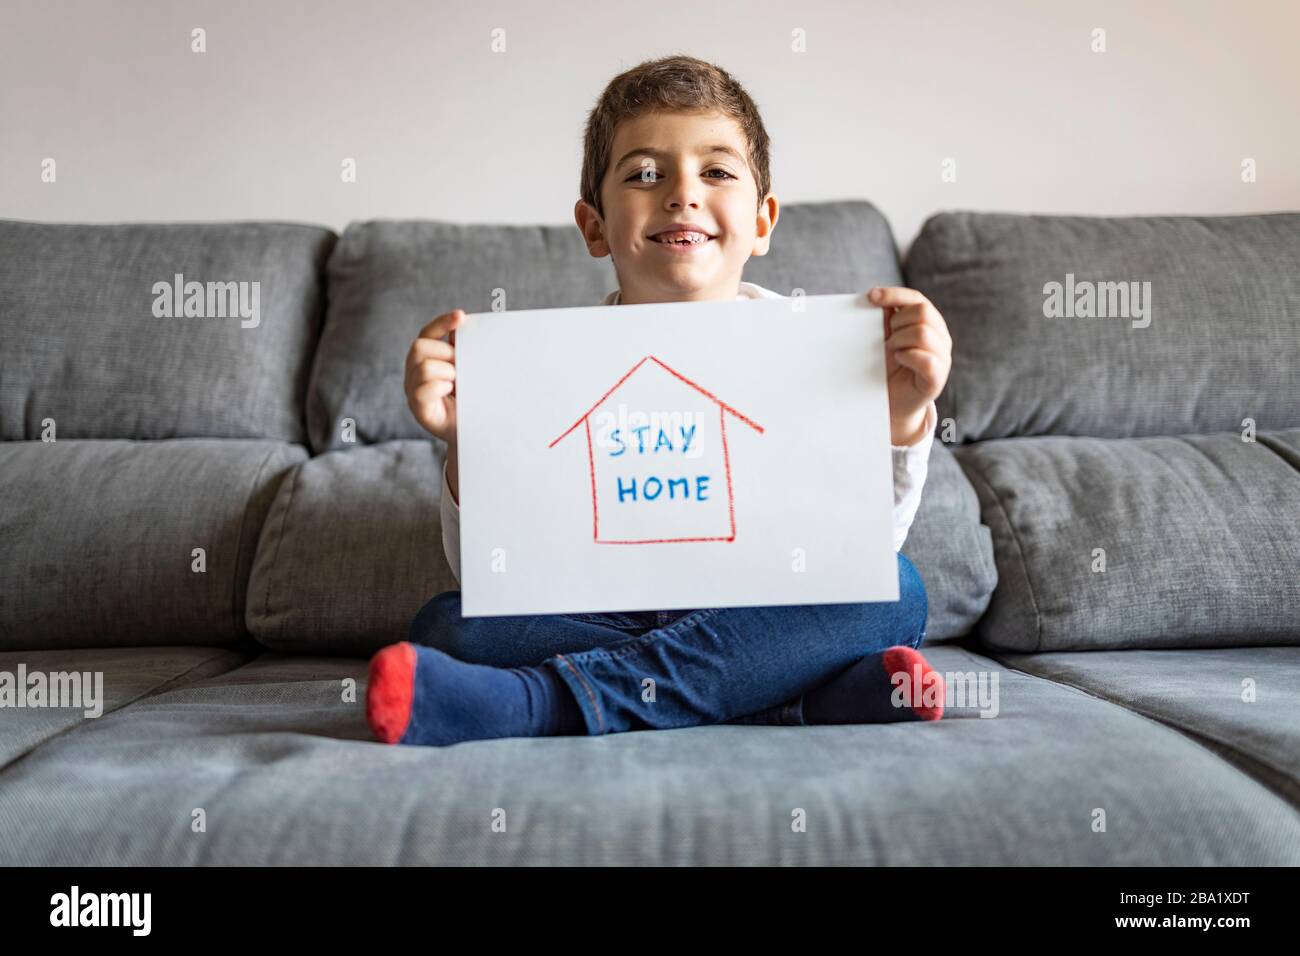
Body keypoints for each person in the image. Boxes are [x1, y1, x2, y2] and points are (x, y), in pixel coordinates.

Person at [366, 55, 953, 747]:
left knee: (897, 586)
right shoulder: (543, 372)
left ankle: (536, 704)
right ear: (594, 226)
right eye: (645, 174)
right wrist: (471, 442)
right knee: (448, 624)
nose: (682, 194)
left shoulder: (822, 353)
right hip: (606, 619)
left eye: (718, 171)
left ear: (762, 221)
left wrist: (902, 416)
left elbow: (858, 554)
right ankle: (785, 698)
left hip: (763, 611)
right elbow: (494, 579)